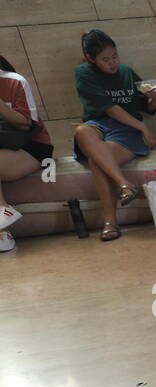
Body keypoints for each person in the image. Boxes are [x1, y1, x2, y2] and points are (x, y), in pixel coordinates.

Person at [71, 29, 156, 242]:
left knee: (97, 160)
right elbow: (109, 108)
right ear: (90, 59)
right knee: (82, 130)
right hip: (99, 125)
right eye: (105, 60)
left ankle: (110, 222)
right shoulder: (84, 72)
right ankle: (124, 184)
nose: (112, 63)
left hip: (126, 130)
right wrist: (143, 127)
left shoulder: (127, 72)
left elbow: (149, 108)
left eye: (115, 57)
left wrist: (155, 96)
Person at [0, 54, 53, 252]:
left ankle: (2, 212)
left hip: (32, 147)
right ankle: (3, 234)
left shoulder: (15, 81)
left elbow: (26, 123)